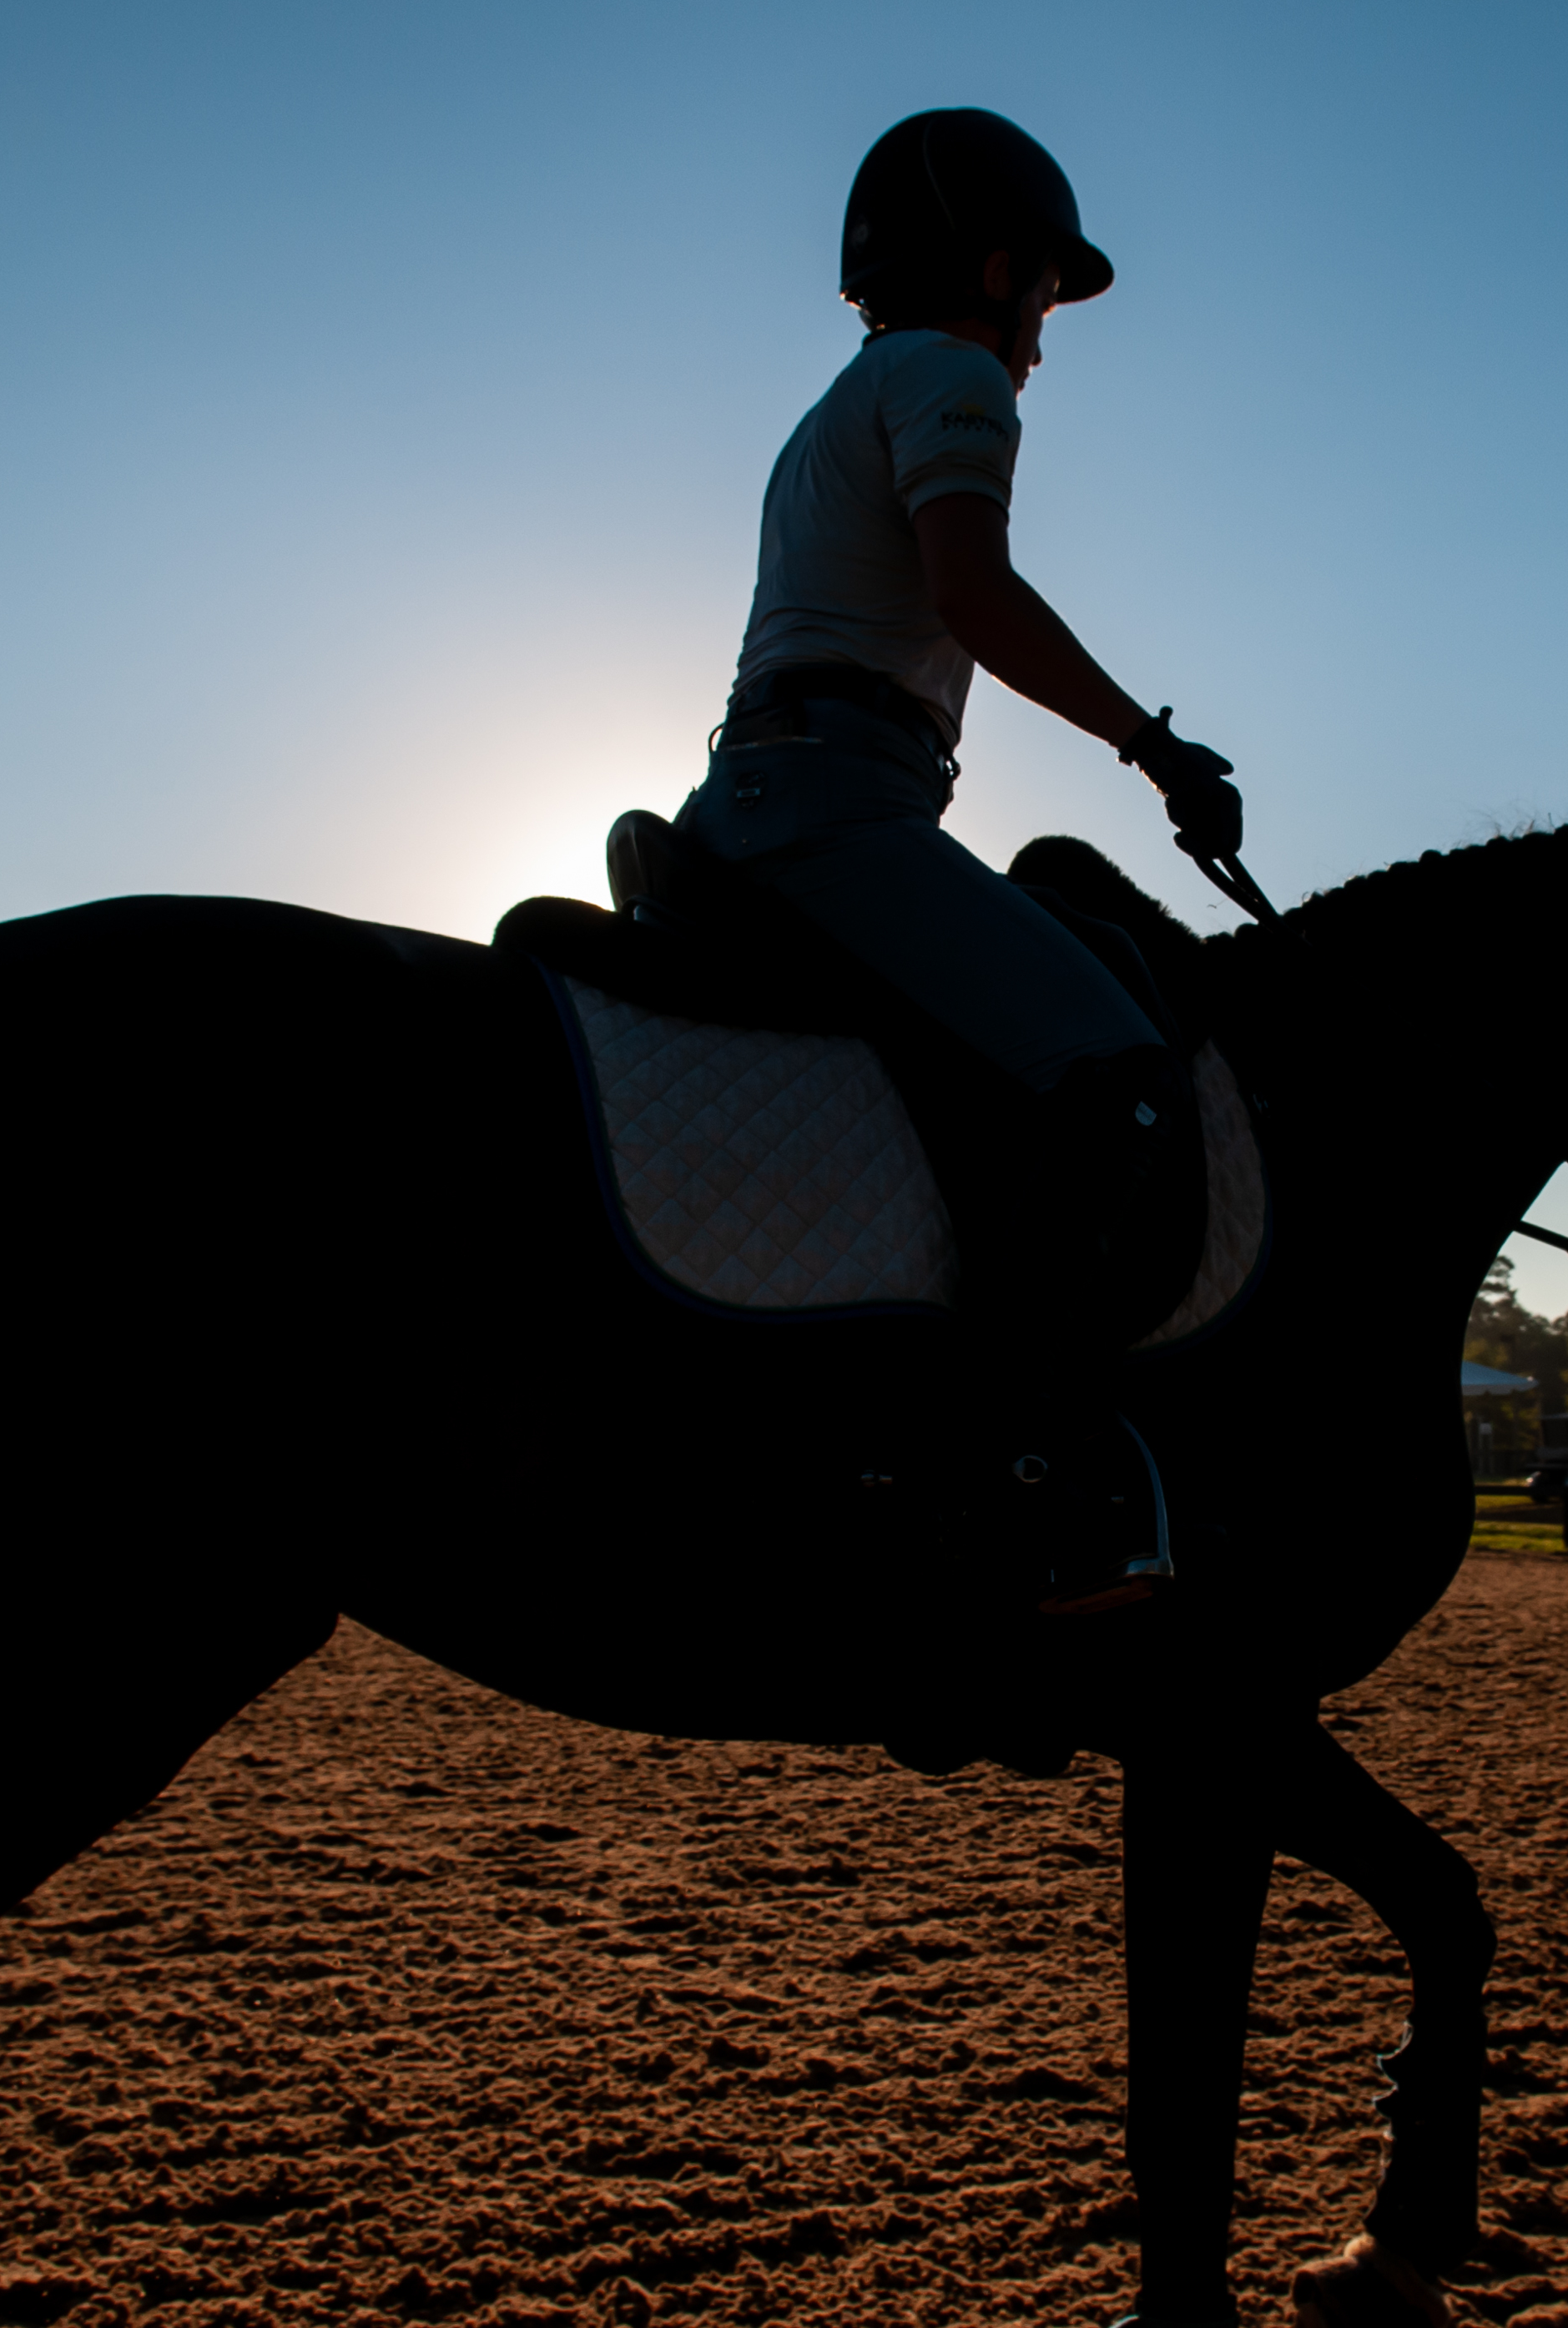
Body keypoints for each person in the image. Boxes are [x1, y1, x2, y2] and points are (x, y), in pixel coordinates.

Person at [673, 108, 1243, 1613]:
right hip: (838, 805)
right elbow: (973, 590)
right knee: (1116, 1076)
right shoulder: (953, 379)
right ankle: (1018, 1470)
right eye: (1044, 300)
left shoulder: (839, 401)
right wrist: (1155, 747)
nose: (1043, 344)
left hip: (776, 791)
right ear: (995, 270)